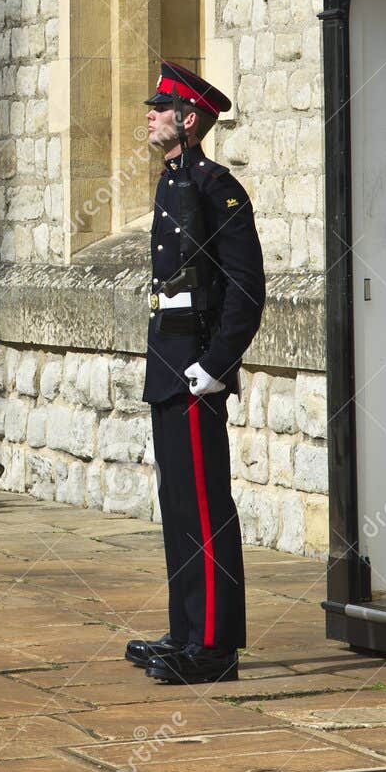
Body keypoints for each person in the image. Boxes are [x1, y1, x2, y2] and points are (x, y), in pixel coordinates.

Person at [124, 61, 266, 685]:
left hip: (197, 369)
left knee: (206, 509)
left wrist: (215, 364)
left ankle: (213, 647)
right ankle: (186, 630)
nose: (150, 114)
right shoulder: (172, 182)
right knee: (179, 504)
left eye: (161, 107)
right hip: (170, 363)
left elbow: (246, 288)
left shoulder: (216, 187)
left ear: (189, 120)